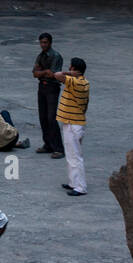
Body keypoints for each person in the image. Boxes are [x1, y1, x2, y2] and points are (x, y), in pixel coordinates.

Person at [46, 57, 90, 196]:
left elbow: (57, 75)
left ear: (74, 70)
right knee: (72, 155)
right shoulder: (84, 82)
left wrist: (69, 73)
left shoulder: (75, 81)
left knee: (75, 156)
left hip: (73, 123)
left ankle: (80, 187)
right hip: (74, 122)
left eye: (70, 68)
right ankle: (73, 183)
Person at [32, 30, 64, 157]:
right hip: (43, 87)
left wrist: (42, 72)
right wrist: (44, 72)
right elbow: (35, 73)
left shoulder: (55, 56)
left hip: (52, 87)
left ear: (50, 43)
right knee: (43, 117)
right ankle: (48, 144)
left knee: (51, 117)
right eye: (41, 43)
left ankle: (58, 148)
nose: (43, 45)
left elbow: (53, 74)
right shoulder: (41, 56)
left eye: (45, 42)